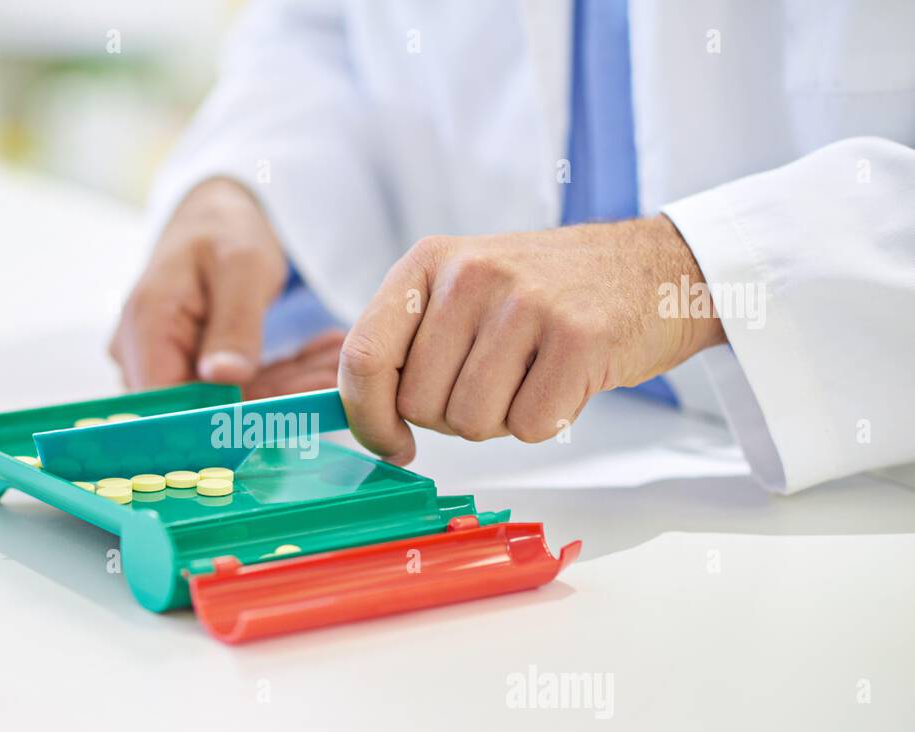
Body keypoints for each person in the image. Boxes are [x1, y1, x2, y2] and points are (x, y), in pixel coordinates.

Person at [109, 0, 915, 494]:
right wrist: (244, 183)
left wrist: (691, 270)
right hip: (513, 476)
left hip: (856, 511)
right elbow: (325, 29)